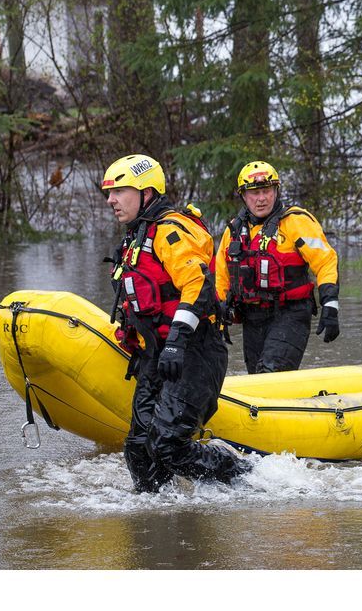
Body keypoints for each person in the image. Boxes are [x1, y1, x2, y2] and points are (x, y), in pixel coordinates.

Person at [102, 153, 249, 492]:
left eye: (119, 191)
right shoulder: (136, 236)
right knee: (138, 448)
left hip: (194, 352)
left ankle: (246, 477)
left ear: (147, 193)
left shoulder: (171, 231)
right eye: (108, 192)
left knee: (167, 444)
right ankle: (157, 520)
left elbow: (197, 286)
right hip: (159, 356)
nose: (111, 200)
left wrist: (176, 341)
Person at [214, 160, 340, 374]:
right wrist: (218, 320)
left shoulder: (296, 222)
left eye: (266, 191)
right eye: (254, 193)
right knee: (255, 379)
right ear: (243, 196)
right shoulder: (234, 231)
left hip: (290, 314)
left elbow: (326, 261)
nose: (261, 198)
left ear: (276, 191)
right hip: (252, 318)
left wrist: (330, 305)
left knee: (269, 373)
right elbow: (222, 278)